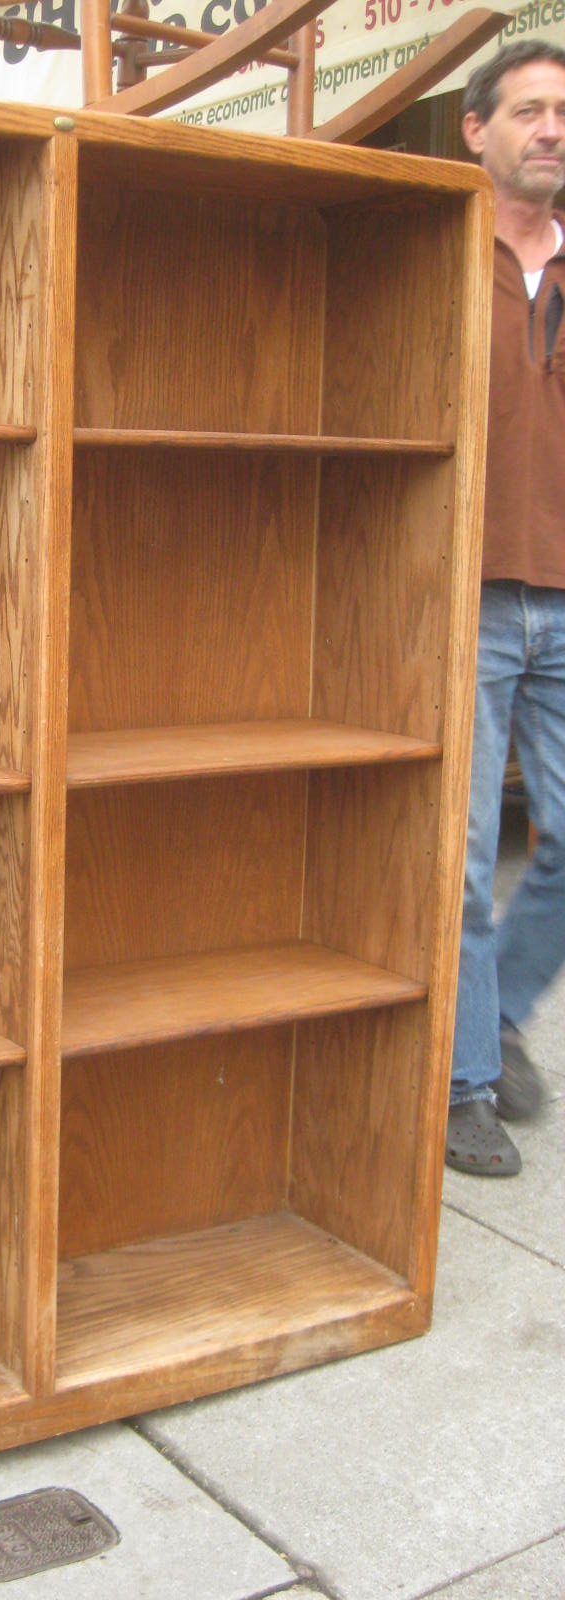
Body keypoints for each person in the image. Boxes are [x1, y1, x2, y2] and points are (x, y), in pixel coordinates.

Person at [446, 39, 565, 1176]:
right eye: (527, 110)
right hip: (470, 596)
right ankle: (465, 1080)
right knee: (469, 853)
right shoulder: (435, 255)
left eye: (562, 112)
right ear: (474, 129)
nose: (551, 129)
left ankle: (503, 1012)